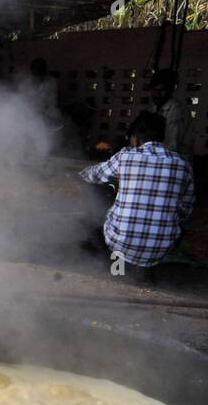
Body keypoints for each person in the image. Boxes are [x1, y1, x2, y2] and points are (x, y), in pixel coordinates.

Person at [79, 110, 194, 281]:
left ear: (136, 139)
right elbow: (185, 210)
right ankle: (145, 270)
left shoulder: (125, 156)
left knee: (95, 208)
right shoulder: (183, 164)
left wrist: (77, 172)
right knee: (166, 226)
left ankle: (115, 268)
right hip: (160, 247)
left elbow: (92, 175)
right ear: (161, 138)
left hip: (121, 240)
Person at [148, 69, 191, 162]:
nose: (157, 94)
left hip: (175, 163)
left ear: (170, 91)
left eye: (161, 90)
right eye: (154, 90)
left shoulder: (177, 110)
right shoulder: (154, 106)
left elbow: (171, 146)